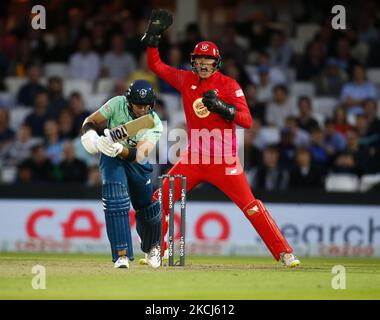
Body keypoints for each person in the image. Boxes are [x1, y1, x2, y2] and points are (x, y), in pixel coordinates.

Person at [141, 9, 300, 267]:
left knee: (251, 206)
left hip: (224, 161)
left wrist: (224, 108)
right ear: (193, 61)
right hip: (193, 158)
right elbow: (155, 65)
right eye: (199, 59)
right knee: (160, 200)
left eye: (208, 60)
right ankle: (159, 251)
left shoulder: (229, 85)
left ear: (216, 63)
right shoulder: (186, 80)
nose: (203, 64)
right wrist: (153, 38)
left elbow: (247, 121)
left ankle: (285, 252)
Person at [80, 79, 163, 269]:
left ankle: (152, 249)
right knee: (115, 200)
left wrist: (119, 149)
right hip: (112, 158)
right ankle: (121, 255)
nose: (142, 110)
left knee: (147, 206)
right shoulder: (117, 103)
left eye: (146, 105)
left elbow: (138, 155)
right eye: (138, 105)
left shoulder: (154, 123)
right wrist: (91, 137)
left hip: (135, 161)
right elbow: (90, 121)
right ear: (128, 101)